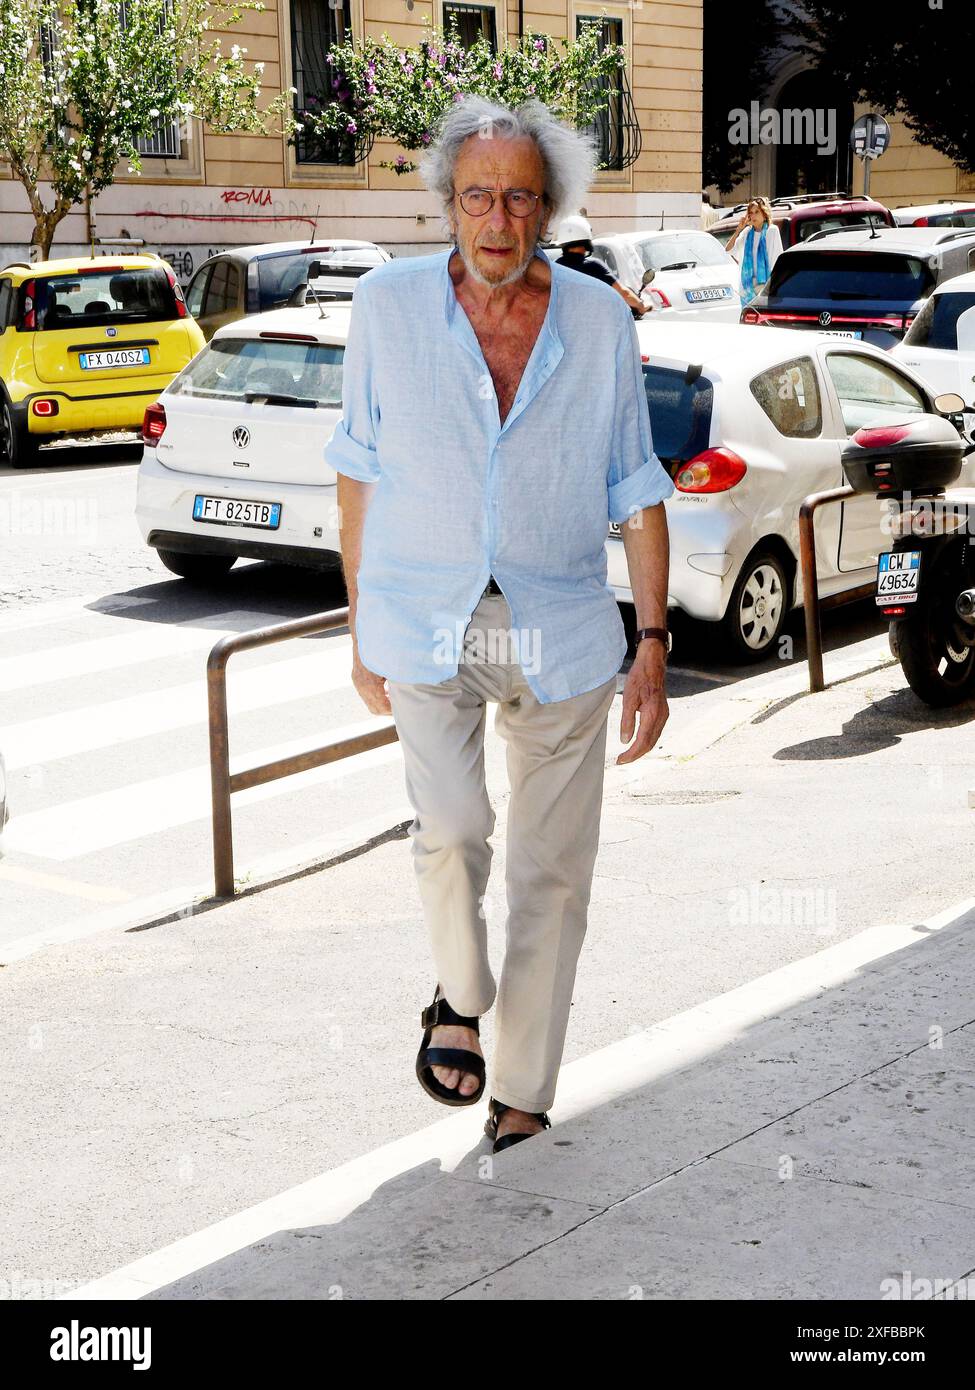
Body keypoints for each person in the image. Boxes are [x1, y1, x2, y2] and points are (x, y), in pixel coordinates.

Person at [324, 96, 674, 1153]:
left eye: (520, 196)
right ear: (446, 206)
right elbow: (357, 474)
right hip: (421, 618)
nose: (497, 218)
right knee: (453, 831)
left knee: (551, 872)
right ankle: (459, 994)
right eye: (477, 194)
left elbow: (636, 484)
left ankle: (522, 1093)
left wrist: (653, 642)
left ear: (549, 211)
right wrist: (358, 626)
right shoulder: (385, 311)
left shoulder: (600, 319)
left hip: (560, 626)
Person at [553, 214, 647, 316]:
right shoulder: (593, 267)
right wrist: (641, 306)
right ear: (586, 239)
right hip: (592, 325)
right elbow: (624, 293)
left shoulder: (554, 268)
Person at [725, 196, 783, 304]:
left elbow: (777, 260)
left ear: (764, 214)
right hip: (747, 289)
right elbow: (728, 250)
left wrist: (773, 287)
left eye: (757, 212)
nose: (753, 215)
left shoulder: (772, 231)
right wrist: (738, 230)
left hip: (766, 287)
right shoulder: (746, 233)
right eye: (751, 213)